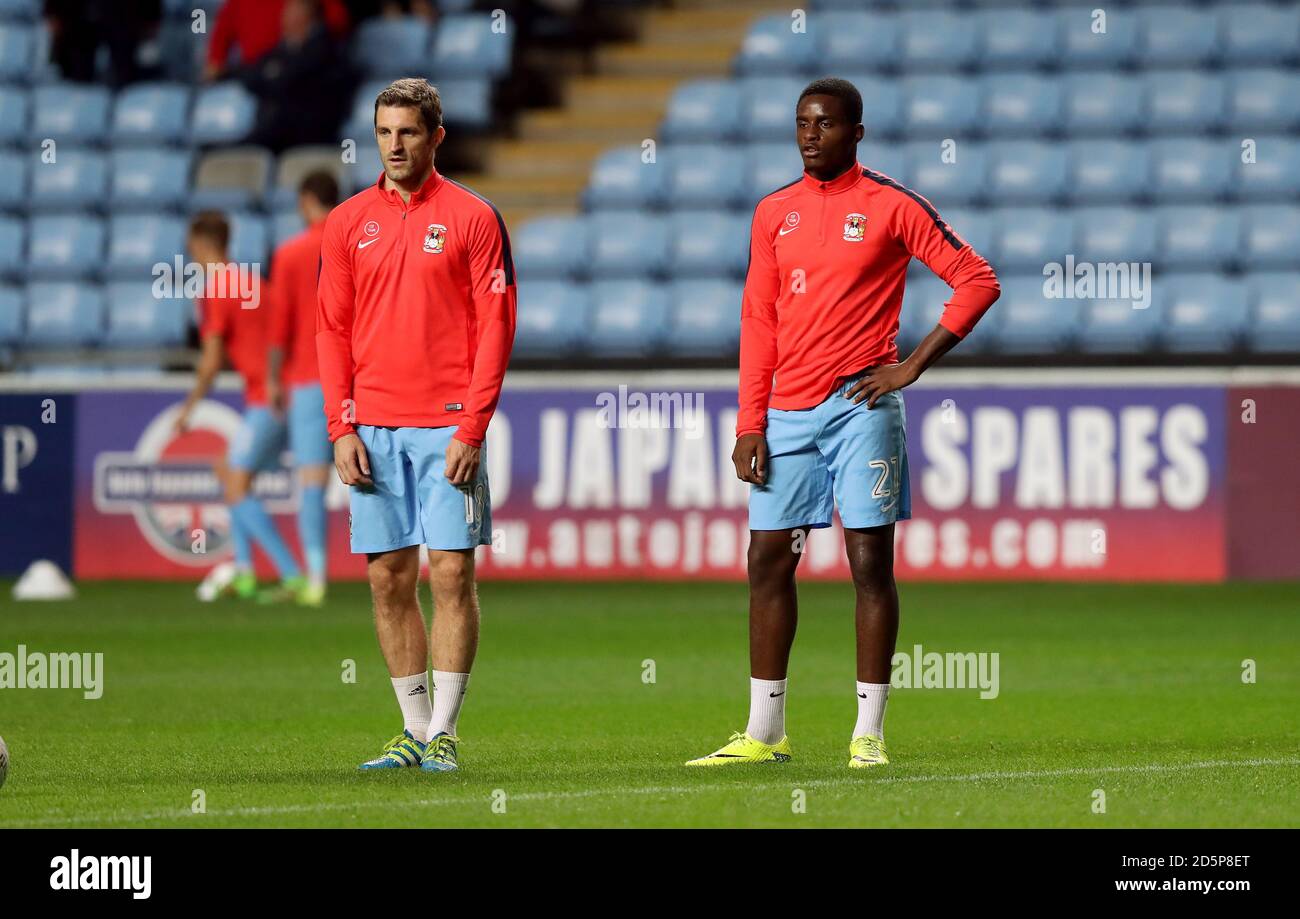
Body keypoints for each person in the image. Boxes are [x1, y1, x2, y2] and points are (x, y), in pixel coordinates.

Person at [686, 77, 1001, 769]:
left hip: (860, 407)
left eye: (824, 124)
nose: (809, 134)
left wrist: (912, 364)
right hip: (788, 414)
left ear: (855, 132)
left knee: (869, 562)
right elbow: (759, 319)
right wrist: (750, 421)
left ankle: (868, 732)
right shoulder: (774, 212)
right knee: (769, 560)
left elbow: (977, 278)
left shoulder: (890, 204)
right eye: (802, 122)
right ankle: (764, 732)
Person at [316, 78, 517, 773]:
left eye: (408, 132)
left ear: (437, 136)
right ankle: (411, 728)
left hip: (447, 427)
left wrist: (473, 425)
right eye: (383, 132)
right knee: (388, 579)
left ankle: (445, 733)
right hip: (371, 426)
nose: (394, 145)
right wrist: (340, 425)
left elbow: (496, 326)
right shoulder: (346, 224)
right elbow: (332, 330)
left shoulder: (473, 217)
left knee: (452, 573)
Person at [176, 211, 309, 604]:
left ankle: (291, 574)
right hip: (288, 392)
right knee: (228, 471)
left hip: (267, 397)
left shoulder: (216, 288)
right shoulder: (253, 282)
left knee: (234, 483)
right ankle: (246, 572)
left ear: (199, 244)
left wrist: (189, 408)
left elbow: (212, 360)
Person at [266, 171, 340, 607]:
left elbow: (280, 326)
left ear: (306, 199)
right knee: (380, 477)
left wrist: (274, 377)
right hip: (358, 376)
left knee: (313, 480)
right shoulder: (355, 244)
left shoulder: (291, 254)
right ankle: (396, 569)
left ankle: (316, 577)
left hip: (309, 377)